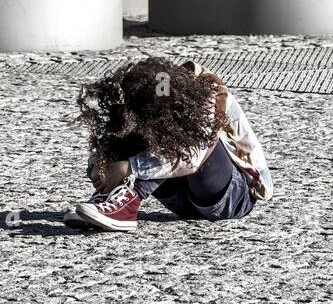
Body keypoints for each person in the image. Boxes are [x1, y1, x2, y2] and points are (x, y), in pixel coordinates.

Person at [66, 57, 272, 232]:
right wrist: (102, 165)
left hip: (231, 198)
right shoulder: (148, 91)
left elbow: (193, 158)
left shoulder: (208, 94)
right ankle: (108, 200)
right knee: (138, 125)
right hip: (181, 201)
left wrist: (130, 167)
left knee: (178, 128)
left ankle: (126, 207)